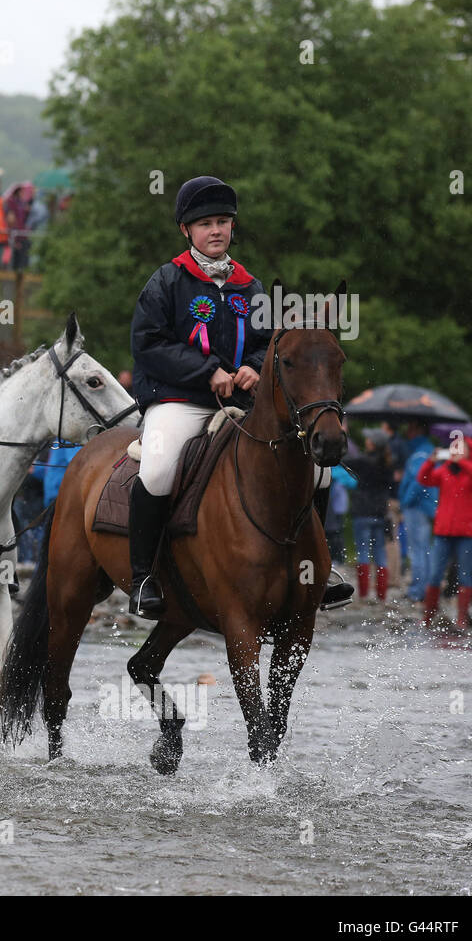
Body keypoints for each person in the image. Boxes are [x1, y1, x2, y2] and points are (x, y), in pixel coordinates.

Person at [126, 175, 355, 618]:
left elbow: (271, 342)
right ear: (186, 231)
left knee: (321, 473)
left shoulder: (251, 288)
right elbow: (149, 344)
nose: (216, 230)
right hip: (180, 401)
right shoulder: (166, 282)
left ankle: (316, 571)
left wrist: (253, 365)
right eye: (205, 223)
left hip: (244, 404)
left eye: (223, 222)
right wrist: (206, 371)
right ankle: (143, 579)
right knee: (157, 468)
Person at [418, 437, 472, 628]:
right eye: (454, 448)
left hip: (467, 533)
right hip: (444, 532)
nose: (456, 451)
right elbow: (424, 479)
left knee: (464, 575)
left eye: (461, 449)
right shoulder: (444, 471)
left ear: (469, 452)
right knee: (435, 575)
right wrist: (430, 461)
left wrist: (463, 462)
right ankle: (428, 618)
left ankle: (462, 619)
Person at [350, 430, 394, 602]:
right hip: (380, 513)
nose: (366, 440)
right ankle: (381, 595)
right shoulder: (388, 464)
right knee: (380, 554)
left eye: (369, 439)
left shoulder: (363, 461)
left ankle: (363, 594)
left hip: (362, 512)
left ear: (373, 444)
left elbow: (342, 459)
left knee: (363, 552)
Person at [397, 425, 437, 603]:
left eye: (410, 429)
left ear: (417, 431)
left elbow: (419, 481)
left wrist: (405, 501)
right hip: (426, 506)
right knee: (424, 549)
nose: (407, 432)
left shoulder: (420, 453)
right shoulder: (427, 450)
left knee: (417, 550)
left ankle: (417, 590)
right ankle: (426, 588)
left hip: (417, 507)